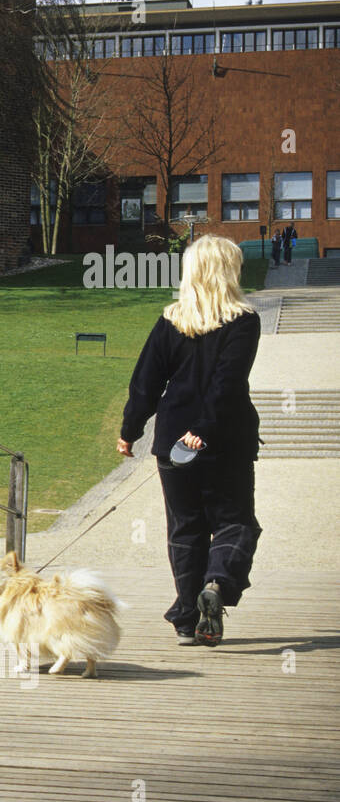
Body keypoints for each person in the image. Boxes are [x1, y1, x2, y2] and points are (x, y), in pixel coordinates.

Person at [117, 234, 261, 648]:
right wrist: (205, 429)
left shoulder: (170, 320)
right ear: (229, 271)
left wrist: (130, 430)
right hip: (225, 440)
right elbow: (226, 384)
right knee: (235, 522)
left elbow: (145, 383)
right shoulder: (244, 321)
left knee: (185, 529)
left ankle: (186, 616)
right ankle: (216, 585)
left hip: (172, 443)